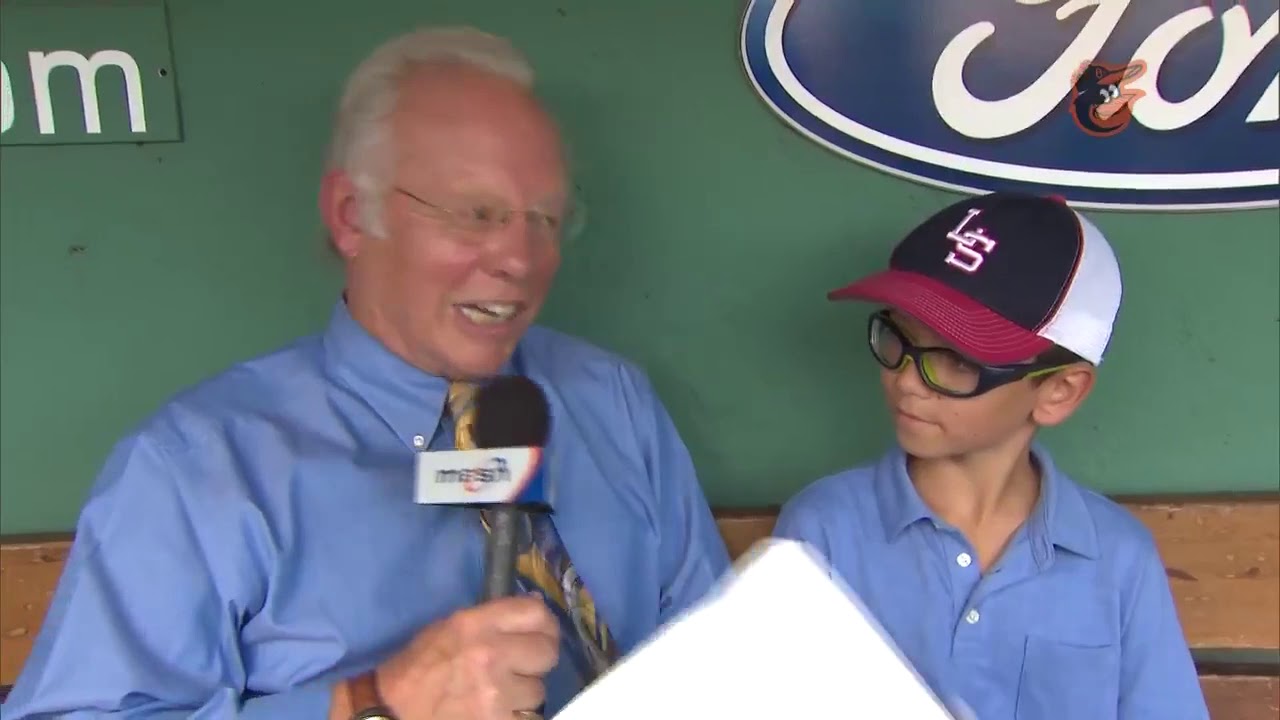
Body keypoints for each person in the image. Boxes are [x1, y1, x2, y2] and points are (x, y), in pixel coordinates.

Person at [2, 26, 731, 720]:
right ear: (352, 215)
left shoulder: (612, 402)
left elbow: (722, 664)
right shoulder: (196, 471)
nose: (519, 258)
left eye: (545, 219)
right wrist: (374, 701)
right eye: (476, 213)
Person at [772, 192, 1209, 719]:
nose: (907, 380)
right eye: (898, 337)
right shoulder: (823, 530)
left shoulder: (1116, 559)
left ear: (1059, 392)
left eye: (955, 361)